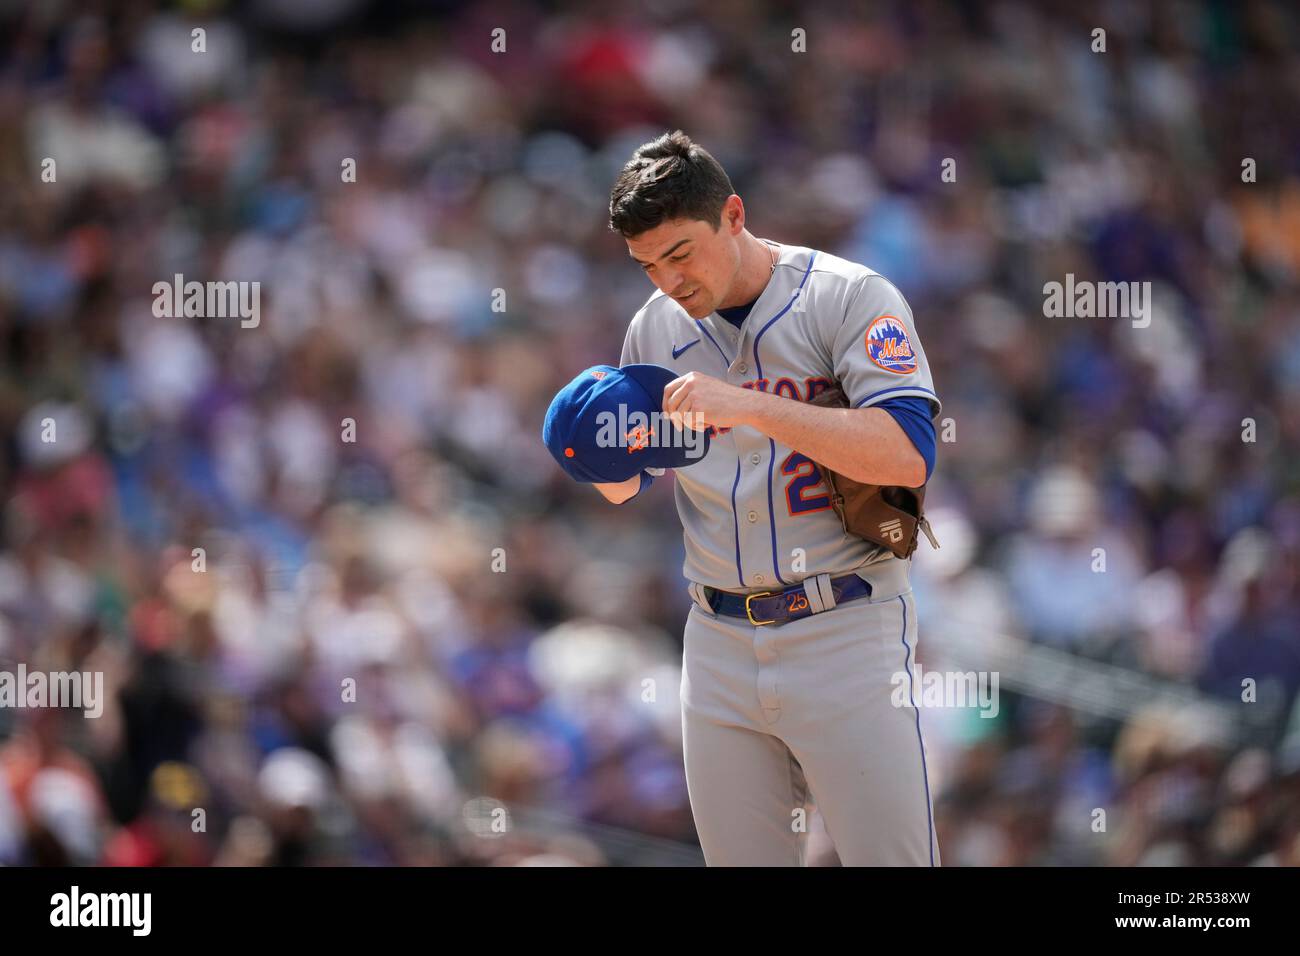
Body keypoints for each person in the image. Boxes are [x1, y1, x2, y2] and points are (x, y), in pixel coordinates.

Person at [594, 130, 943, 865]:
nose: (668, 281)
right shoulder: (653, 328)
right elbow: (628, 484)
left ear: (732, 215)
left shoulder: (846, 296)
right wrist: (591, 455)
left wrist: (748, 406)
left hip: (846, 625)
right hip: (718, 637)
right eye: (647, 265)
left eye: (680, 253)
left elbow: (908, 456)